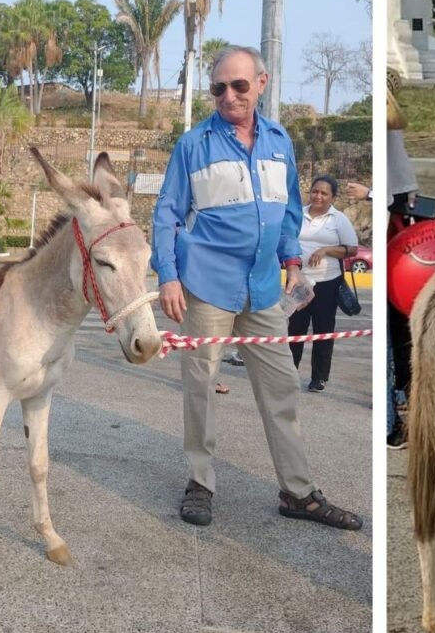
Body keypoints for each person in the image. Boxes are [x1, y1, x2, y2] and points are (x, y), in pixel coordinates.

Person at [152, 45, 362, 531]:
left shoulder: (279, 140)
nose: (229, 95)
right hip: (206, 283)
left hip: (265, 284)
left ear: (261, 84)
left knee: (282, 385)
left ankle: (298, 491)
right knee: (202, 385)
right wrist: (167, 275)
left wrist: (292, 263)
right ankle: (200, 483)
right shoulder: (193, 145)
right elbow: (166, 213)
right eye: (219, 87)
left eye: (239, 85)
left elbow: (289, 208)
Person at [289, 175, 359, 392]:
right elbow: (286, 239)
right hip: (299, 280)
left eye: (324, 193)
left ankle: (319, 377)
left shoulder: (338, 219)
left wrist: (326, 250)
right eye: (315, 191)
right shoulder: (297, 214)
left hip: (327, 282)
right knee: (295, 329)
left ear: (332, 197)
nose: (318, 196)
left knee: (323, 329)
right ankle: (289, 373)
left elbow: (352, 249)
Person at [385, 67, 418, 450]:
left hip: (393, 235)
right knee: (396, 330)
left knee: (395, 332)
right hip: (395, 236)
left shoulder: (391, 124)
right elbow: (406, 189)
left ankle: (396, 410)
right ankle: (394, 416)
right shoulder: (392, 125)